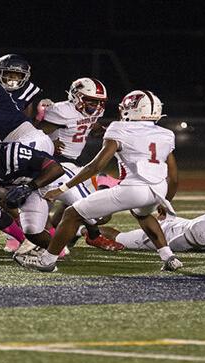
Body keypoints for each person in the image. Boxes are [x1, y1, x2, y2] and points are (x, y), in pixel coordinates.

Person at [20, 90, 182, 273]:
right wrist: (165, 199)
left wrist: (63, 188)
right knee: (143, 215)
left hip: (133, 189)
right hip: (158, 188)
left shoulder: (118, 128)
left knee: (72, 214)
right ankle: (169, 257)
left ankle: (47, 261)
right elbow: (174, 177)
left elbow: (95, 167)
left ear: (131, 109)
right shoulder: (166, 134)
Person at [37, 77, 123, 251]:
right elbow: (34, 135)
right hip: (55, 163)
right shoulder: (61, 111)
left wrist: (104, 131)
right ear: (76, 96)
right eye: (91, 101)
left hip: (73, 162)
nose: (96, 106)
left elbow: (91, 124)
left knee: (102, 214)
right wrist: (48, 143)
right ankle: (94, 236)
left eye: (99, 102)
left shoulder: (93, 112)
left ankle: (63, 232)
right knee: (86, 202)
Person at [101, 199, 205, 253]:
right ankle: (87, 229)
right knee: (121, 238)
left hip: (179, 225)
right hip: (167, 234)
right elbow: (173, 246)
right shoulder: (204, 233)